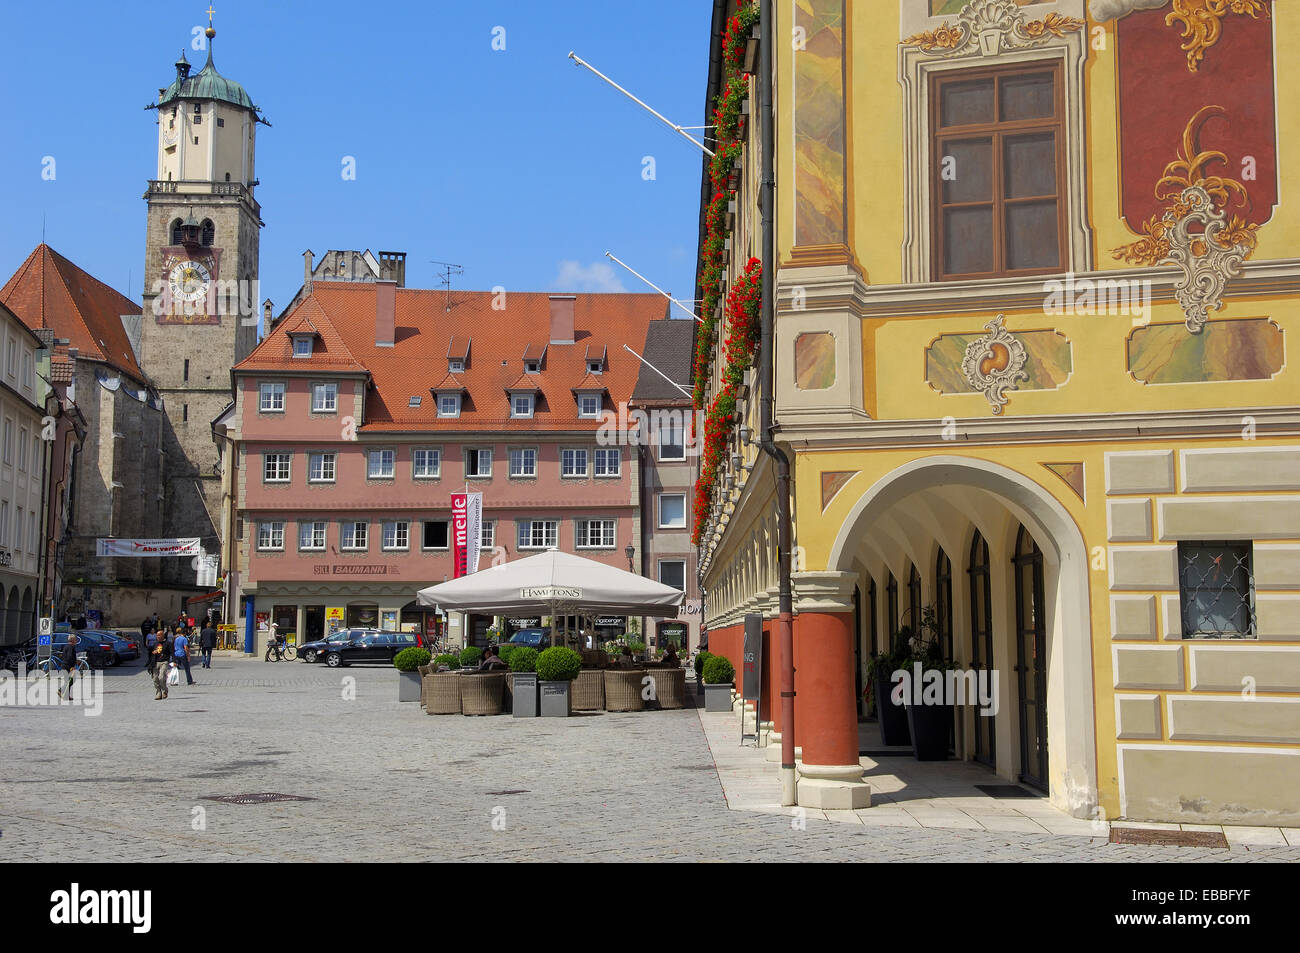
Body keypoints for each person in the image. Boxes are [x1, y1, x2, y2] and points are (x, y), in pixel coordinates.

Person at [57, 633, 81, 699]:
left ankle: (67, 696)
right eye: (75, 640)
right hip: (68, 666)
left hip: (64, 665)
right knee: (72, 680)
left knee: (68, 680)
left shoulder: (66, 646)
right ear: (73, 640)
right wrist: (72, 665)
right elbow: (70, 657)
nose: (76, 641)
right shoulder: (71, 647)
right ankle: (61, 690)